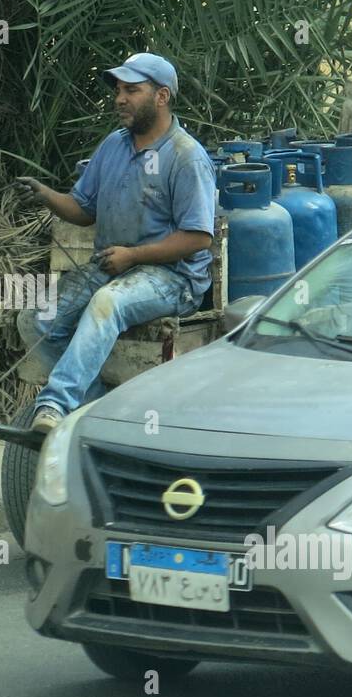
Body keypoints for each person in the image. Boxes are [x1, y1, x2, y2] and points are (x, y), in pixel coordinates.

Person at [15, 52, 216, 433]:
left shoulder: (186, 156)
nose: (120, 98)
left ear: (161, 96)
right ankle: (95, 408)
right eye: (118, 90)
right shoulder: (113, 145)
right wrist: (45, 194)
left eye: (132, 90)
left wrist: (133, 256)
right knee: (34, 319)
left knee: (107, 302)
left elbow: (199, 237)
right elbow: (84, 209)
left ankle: (55, 405)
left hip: (172, 278)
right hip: (113, 264)